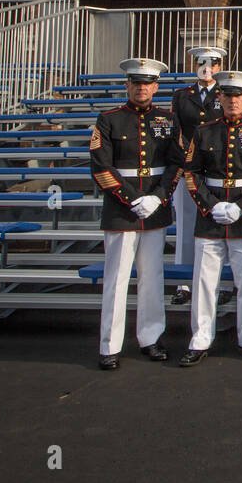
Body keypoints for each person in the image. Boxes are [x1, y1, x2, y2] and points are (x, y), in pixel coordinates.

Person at [178, 71, 242, 367]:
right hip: (210, 216)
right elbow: (191, 172)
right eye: (227, 95)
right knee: (204, 282)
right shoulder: (203, 131)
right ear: (219, 97)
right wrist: (210, 206)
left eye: (239, 95)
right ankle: (200, 338)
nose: (233, 100)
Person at [92, 58, 184, 369]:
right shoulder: (109, 120)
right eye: (136, 82)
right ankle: (110, 345)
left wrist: (158, 198)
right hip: (122, 209)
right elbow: (101, 167)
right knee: (116, 279)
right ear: (127, 85)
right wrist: (132, 200)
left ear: (156, 87)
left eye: (147, 83)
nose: (142, 88)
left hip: (155, 209)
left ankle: (151, 338)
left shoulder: (167, 120)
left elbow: (175, 164)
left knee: (152, 277)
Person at [169, 45, 225, 305]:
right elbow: (176, 130)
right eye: (202, 64)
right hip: (189, 169)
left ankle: (221, 282)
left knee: (219, 228)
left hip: (216, 169)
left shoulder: (226, 92)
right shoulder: (182, 96)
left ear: (219, 67)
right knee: (185, 226)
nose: (207, 69)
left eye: (212, 64)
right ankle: (184, 283)